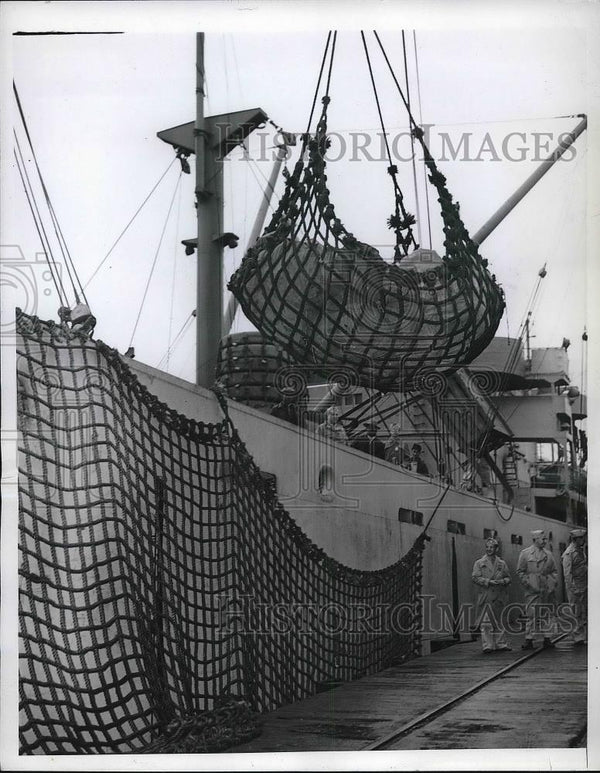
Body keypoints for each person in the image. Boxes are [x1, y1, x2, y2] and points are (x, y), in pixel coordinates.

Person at [517, 529, 558, 649]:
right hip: (532, 589)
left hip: (546, 589)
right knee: (531, 614)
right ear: (535, 540)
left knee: (546, 613)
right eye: (543, 539)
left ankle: (547, 638)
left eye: (545, 538)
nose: (545, 541)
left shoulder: (548, 554)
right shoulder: (525, 554)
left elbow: (554, 571)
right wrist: (528, 582)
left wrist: (551, 584)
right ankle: (529, 639)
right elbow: (520, 571)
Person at [472, 538, 512, 654]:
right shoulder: (479, 563)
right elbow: (475, 577)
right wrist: (487, 582)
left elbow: (508, 578)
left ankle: (501, 644)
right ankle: (487, 645)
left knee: (499, 620)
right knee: (486, 622)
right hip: (486, 595)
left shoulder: (502, 564)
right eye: (487, 547)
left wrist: (503, 582)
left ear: (496, 549)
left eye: (491, 547)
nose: (489, 549)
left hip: (499, 595)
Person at [561, 528, 587, 645]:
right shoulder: (569, 553)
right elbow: (567, 573)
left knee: (583, 611)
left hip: (583, 584)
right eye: (581, 538)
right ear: (575, 539)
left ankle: (582, 635)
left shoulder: (580, 550)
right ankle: (578, 637)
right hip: (575, 586)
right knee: (576, 611)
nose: (583, 540)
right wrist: (573, 588)